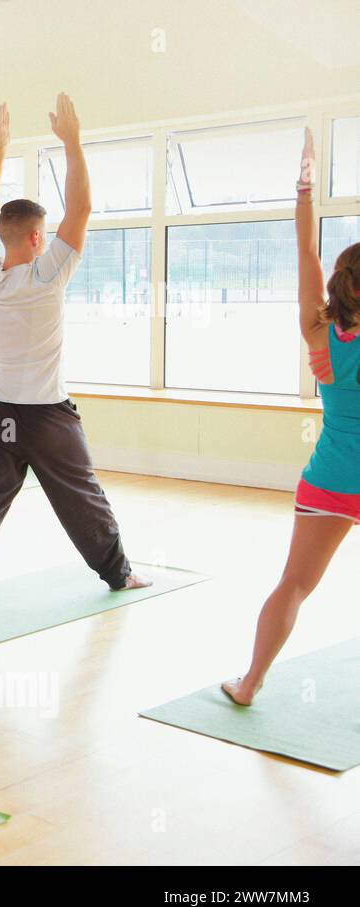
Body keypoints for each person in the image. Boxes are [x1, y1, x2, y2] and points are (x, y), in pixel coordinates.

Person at [0, 97, 150, 631]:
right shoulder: (49, 276)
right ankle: (121, 575)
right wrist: (70, 141)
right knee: (82, 501)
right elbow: (82, 208)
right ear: (37, 237)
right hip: (46, 417)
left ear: (2, 236)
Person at [222, 129, 360, 705]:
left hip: (329, 477)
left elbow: (304, 252)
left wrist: (304, 189)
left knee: (294, 585)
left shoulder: (320, 332)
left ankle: (250, 684)